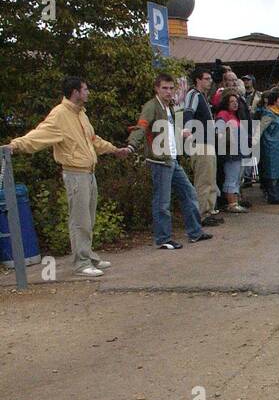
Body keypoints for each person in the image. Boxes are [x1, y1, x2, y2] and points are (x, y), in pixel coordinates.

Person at [6, 76, 131, 276]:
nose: (88, 92)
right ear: (75, 92)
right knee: (79, 220)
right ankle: (81, 263)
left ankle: (88, 256)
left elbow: (93, 139)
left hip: (89, 172)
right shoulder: (59, 115)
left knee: (88, 218)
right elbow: (37, 136)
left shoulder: (81, 114)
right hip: (75, 173)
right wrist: (15, 145)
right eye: (85, 89)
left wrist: (114, 150)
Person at [128, 73, 212, 250]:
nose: (168, 91)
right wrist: (131, 145)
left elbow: (168, 128)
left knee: (189, 193)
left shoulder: (169, 107)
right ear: (156, 88)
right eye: (164, 88)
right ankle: (163, 238)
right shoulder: (151, 106)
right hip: (159, 160)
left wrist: (180, 133)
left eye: (171, 88)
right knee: (162, 202)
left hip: (171, 159)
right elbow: (141, 125)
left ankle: (195, 232)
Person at [183, 68, 222, 226]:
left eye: (210, 78)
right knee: (203, 180)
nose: (209, 81)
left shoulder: (203, 97)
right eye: (206, 78)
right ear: (198, 80)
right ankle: (201, 214)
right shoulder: (193, 95)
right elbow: (188, 112)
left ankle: (209, 210)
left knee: (211, 179)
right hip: (200, 143)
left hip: (208, 142)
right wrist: (188, 130)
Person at [214, 92, 249, 213]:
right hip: (230, 152)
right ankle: (231, 203)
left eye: (236, 102)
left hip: (238, 151)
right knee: (231, 176)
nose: (235, 104)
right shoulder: (223, 114)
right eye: (232, 102)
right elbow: (218, 130)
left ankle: (235, 201)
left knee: (237, 176)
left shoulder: (235, 116)